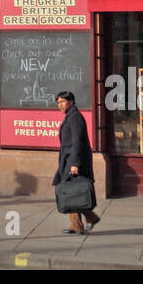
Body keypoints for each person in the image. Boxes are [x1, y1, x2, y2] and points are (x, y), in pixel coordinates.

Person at [52, 91, 100, 234]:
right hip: (69, 159)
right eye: (58, 102)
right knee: (72, 191)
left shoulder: (75, 117)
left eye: (63, 102)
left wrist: (75, 163)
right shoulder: (70, 116)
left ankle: (88, 218)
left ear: (71, 101)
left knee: (72, 191)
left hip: (73, 160)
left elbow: (77, 142)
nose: (60, 105)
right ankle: (80, 223)